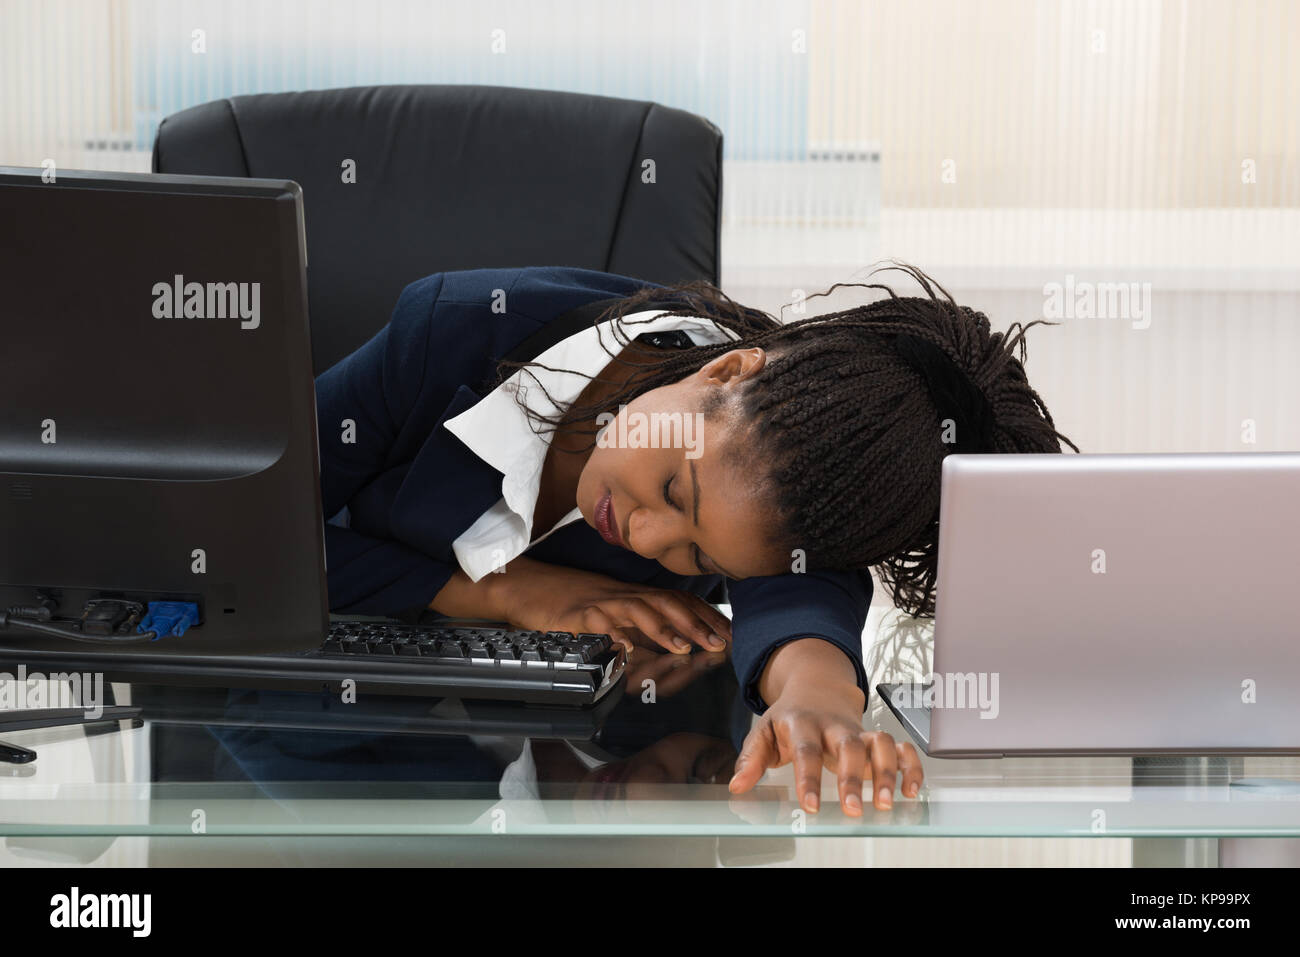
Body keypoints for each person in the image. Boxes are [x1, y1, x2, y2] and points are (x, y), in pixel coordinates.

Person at [315, 262, 1077, 816]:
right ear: (725, 371)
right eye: (676, 489)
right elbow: (241, 533)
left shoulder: (769, 477)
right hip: (313, 724)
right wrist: (516, 593)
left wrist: (816, 698)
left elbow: (801, 589)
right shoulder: (449, 332)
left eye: (698, 558)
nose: (646, 539)